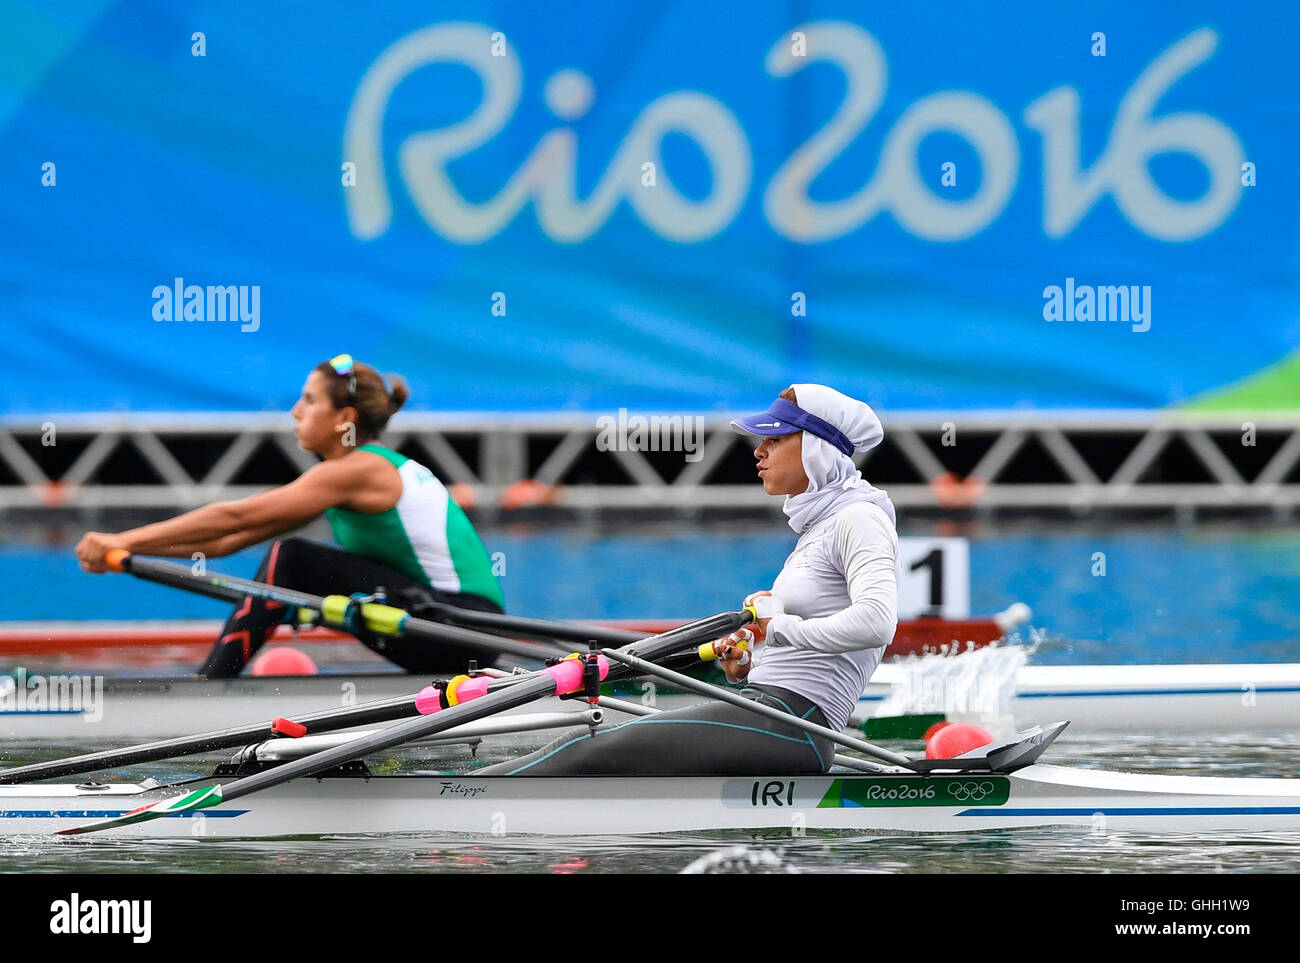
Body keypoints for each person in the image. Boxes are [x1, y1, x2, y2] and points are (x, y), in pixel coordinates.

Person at [481, 383, 897, 775]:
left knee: (576, 747)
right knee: (584, 745)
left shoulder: (859, 518)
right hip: (773, 713)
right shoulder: (819, 527)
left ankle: (456, 797)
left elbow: (877, 622)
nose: (759, 451)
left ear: (816, 448)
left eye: (774, 440)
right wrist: (747, 664)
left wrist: (781, 628)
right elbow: (802, 650)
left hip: (796, 723)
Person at [74, 354, 505, 677]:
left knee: (292, 557)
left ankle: (208, 686)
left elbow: (234, 517)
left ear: (345, 420)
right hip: (450, 627)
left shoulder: (360, 469)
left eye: (309, 400)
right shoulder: (370, 468)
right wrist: (132, 550)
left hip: (453, 626)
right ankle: (215, 681)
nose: (295, 411)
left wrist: (122, 541)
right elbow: (228, 541)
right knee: (288, 565)